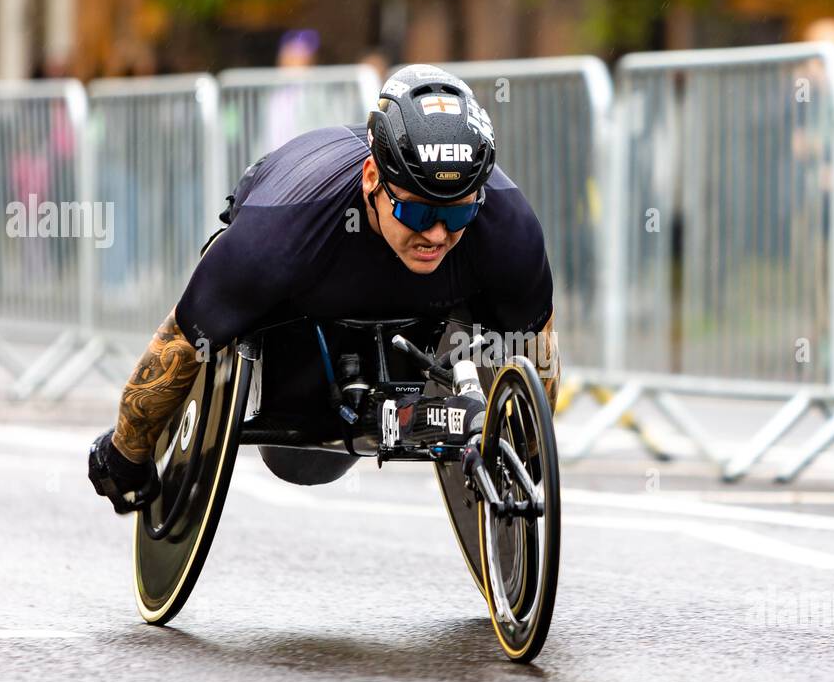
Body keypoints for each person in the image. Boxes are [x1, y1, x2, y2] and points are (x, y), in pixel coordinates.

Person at [89, 64, 560, 512]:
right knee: (300, 463)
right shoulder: (280, 229)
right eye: (418, 212)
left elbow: (537, 351)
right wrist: (125, 452)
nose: (437, 233)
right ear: (372, 179)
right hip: (301, 303)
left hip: (415, 307)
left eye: (457, 214)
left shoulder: (507, 226)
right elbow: (180, 342)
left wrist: (529, 459)